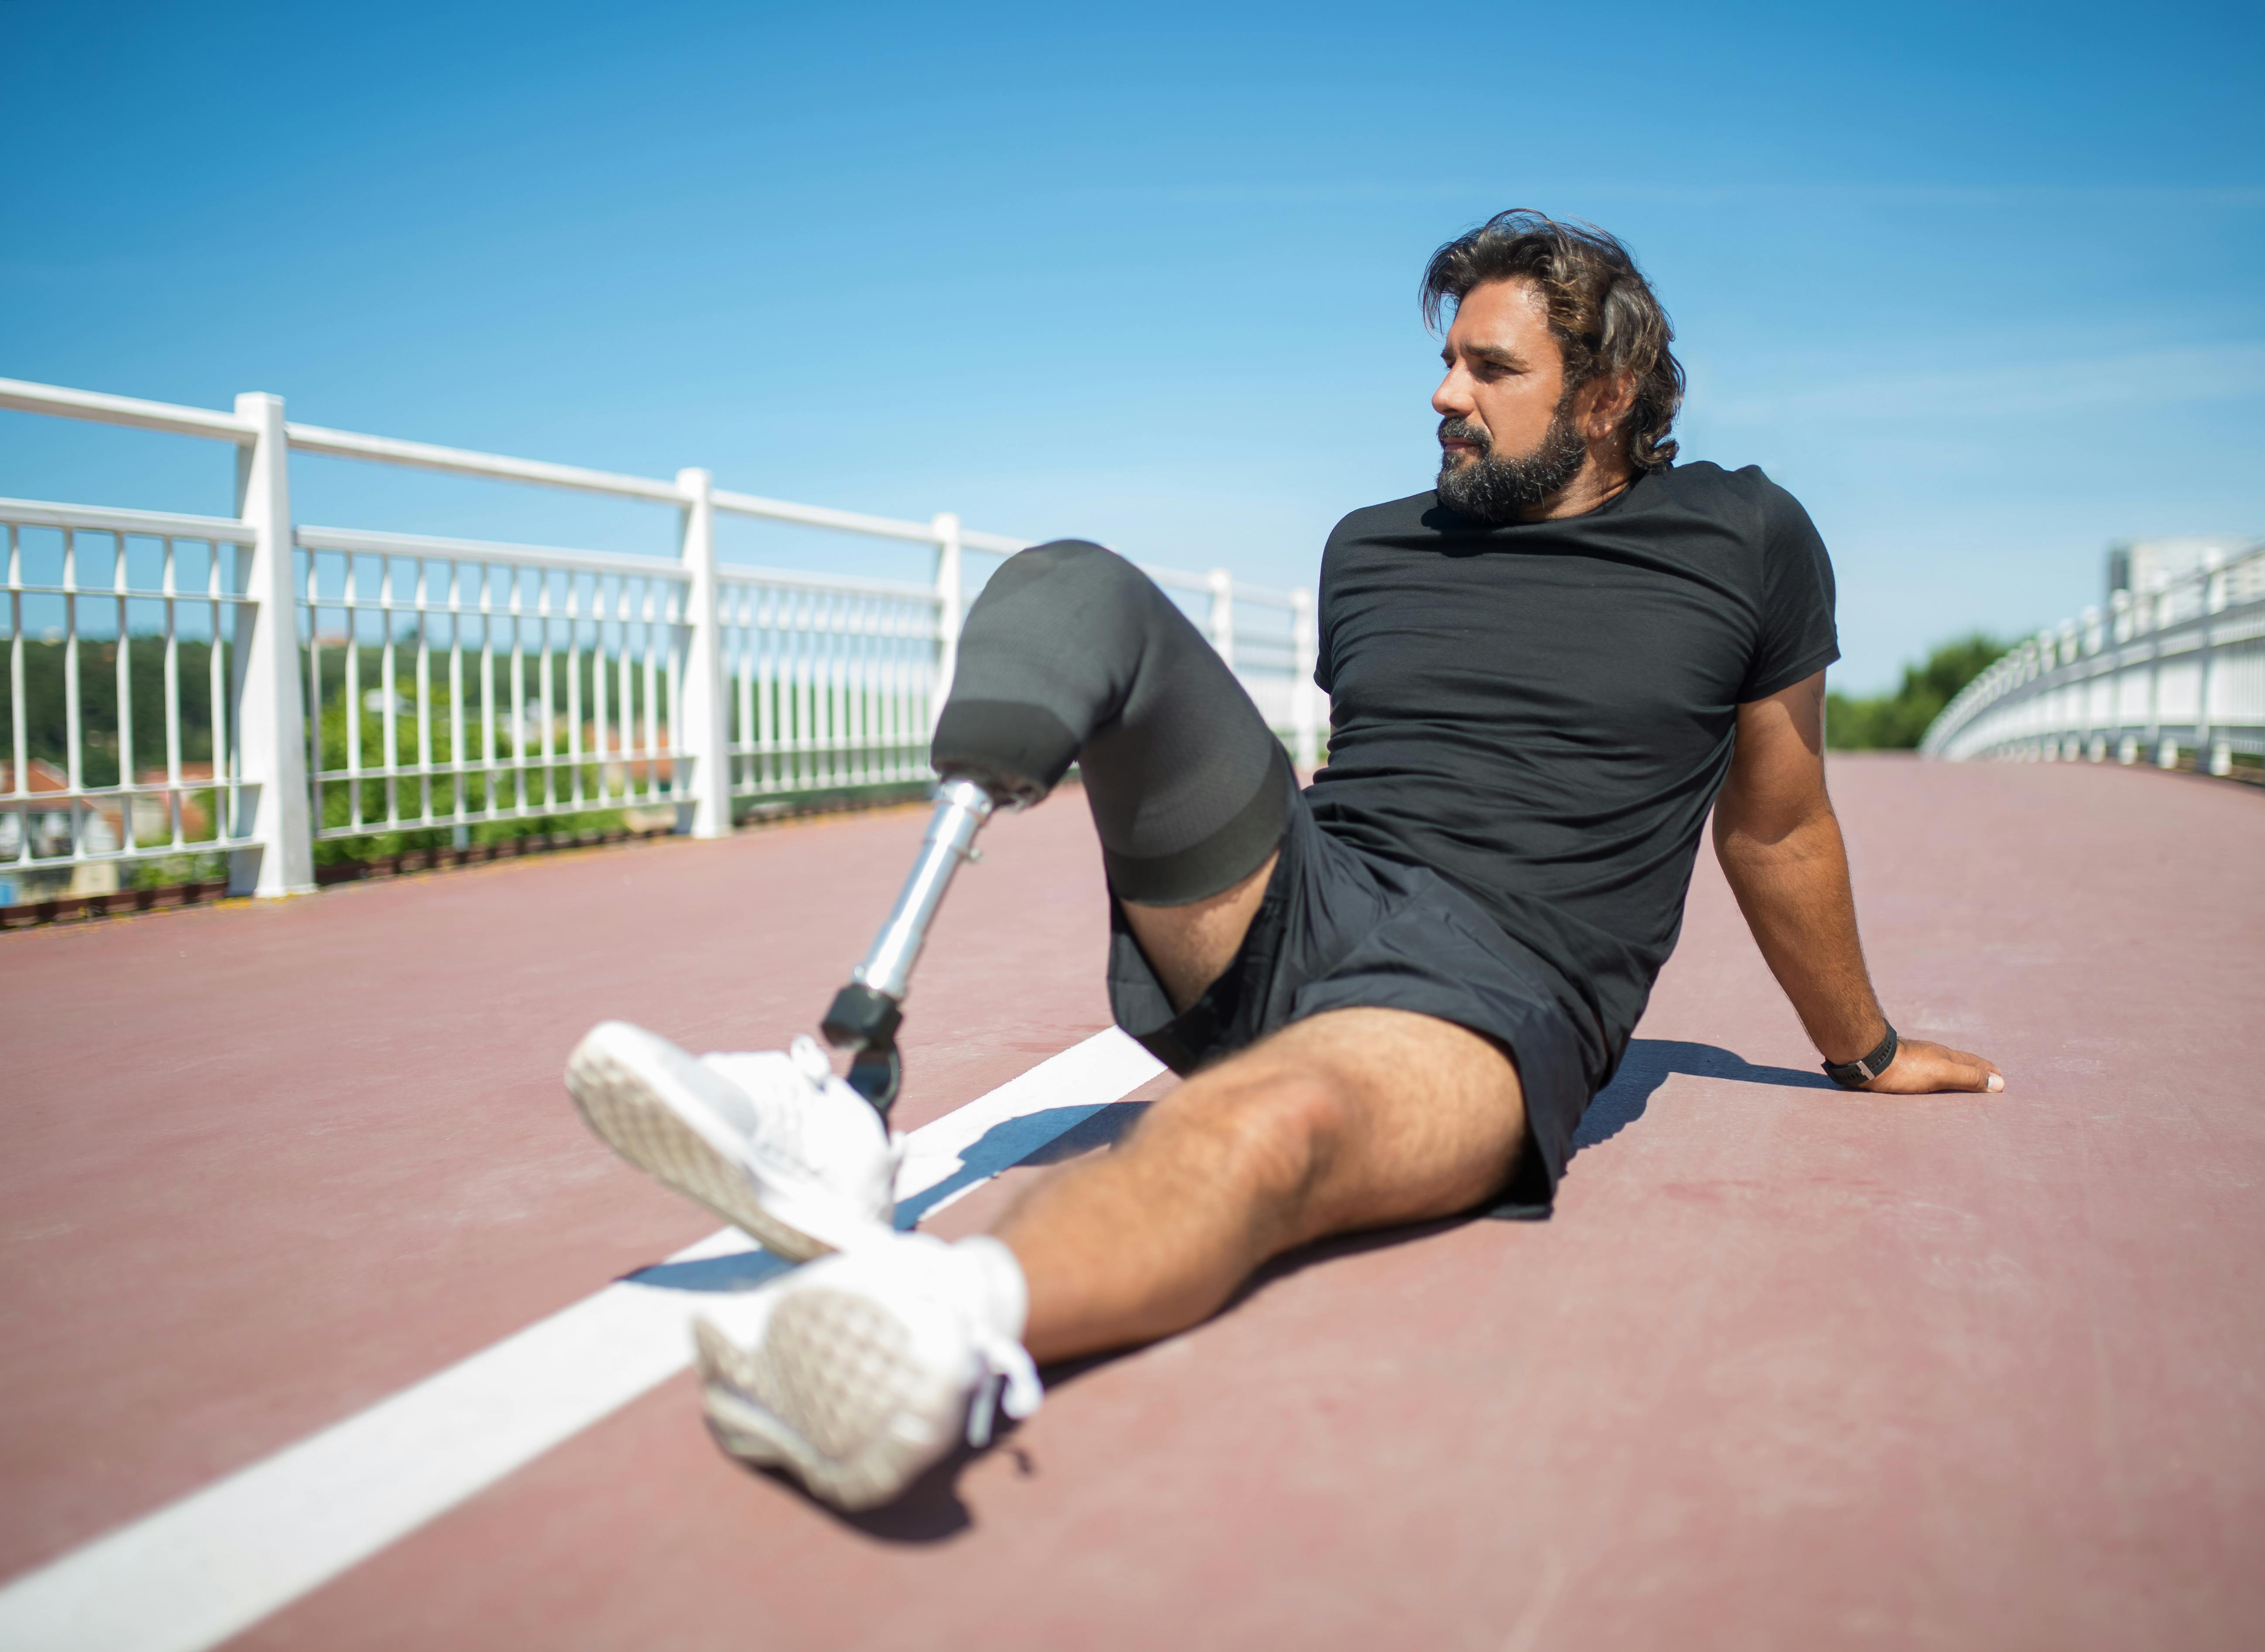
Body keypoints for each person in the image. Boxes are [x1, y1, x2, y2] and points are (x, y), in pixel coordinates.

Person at [564, 209, 2003, 1512]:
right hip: (1302, 895)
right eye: (1446, 360)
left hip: (1502, 987)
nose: (1445, 393)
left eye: (1491, 368)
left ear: (1608, 394)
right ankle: (845, 1082)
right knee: (1073, 588)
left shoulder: (1745, 537)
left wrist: (1861, 1047)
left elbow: (1776, 820)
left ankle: (940, 1322)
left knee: (1273, 1123)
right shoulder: (1370, 546)